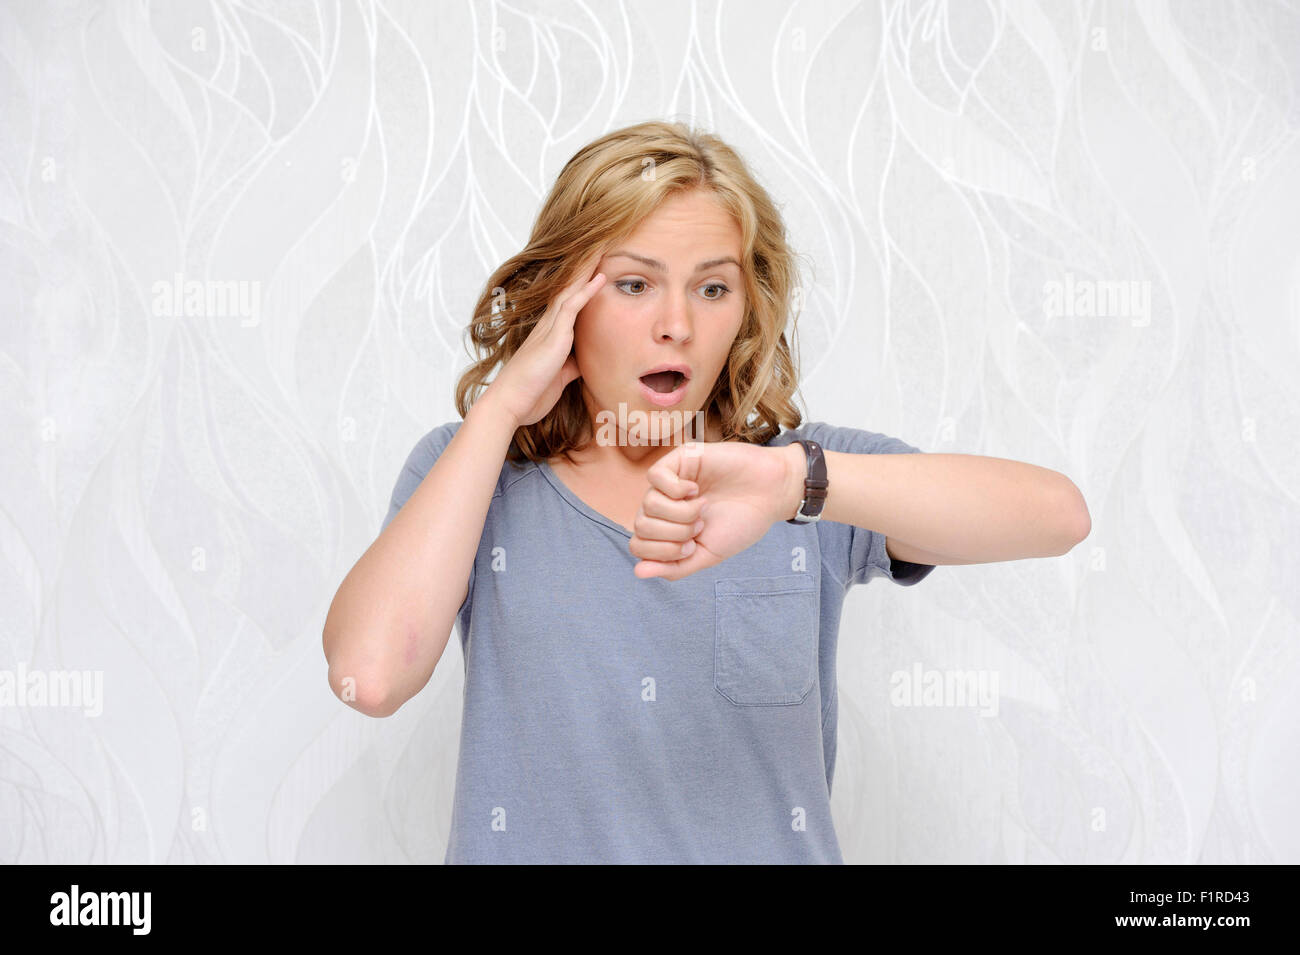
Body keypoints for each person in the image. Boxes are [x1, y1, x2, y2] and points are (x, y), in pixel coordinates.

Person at [322, 120, 1091, 864]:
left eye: (713, 288)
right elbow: (373, 674)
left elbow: (1058, 516)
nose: (677, 324)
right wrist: (497, 410)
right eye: (633, 283)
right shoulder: (471, 475)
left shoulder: (802, 481)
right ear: (564, 301)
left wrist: (797, 481)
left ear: (745, 309)